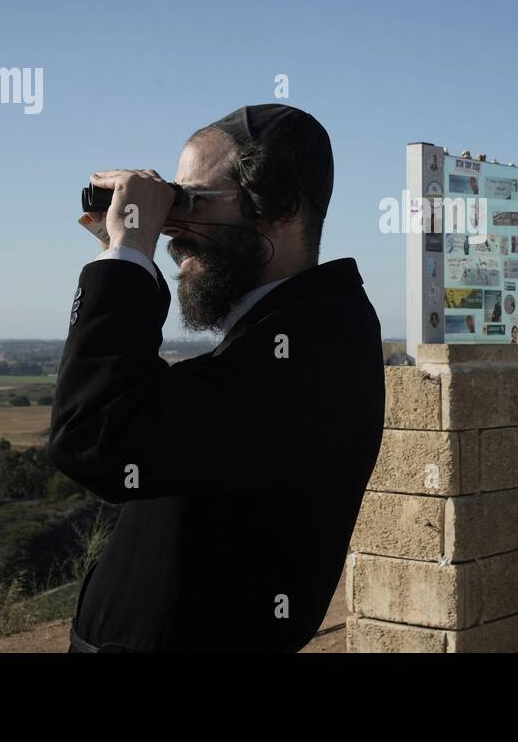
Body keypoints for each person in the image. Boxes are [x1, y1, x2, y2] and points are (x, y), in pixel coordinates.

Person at [50, 103, 385, 652]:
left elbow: (97, 435)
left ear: (279, 208)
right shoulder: (292, 328)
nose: (173, 229)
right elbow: (164, 423)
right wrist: (124, 257)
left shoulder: (317, 343)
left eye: (193, 202)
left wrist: (128, 257)